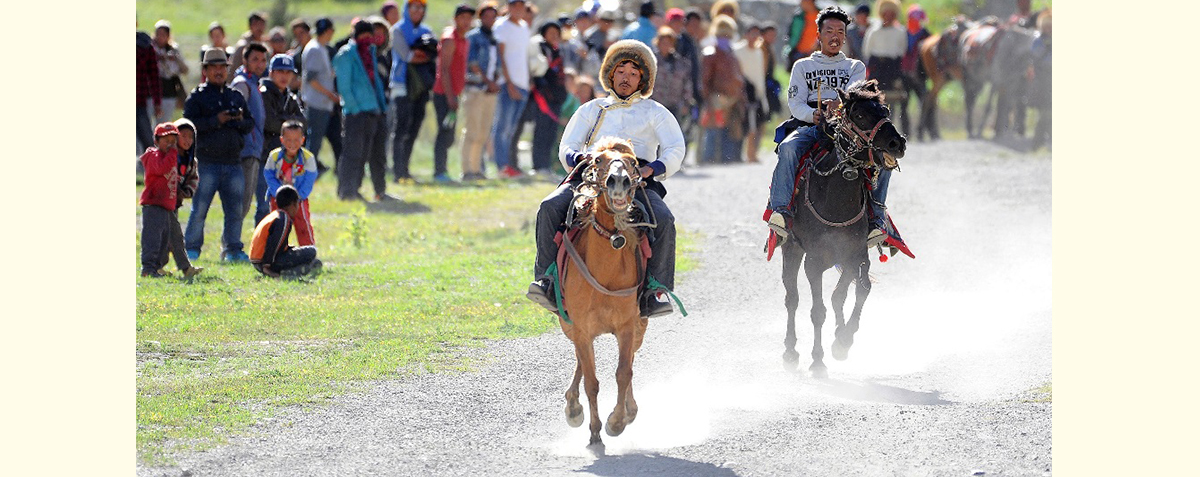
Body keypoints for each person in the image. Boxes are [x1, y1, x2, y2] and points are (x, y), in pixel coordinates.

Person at [527, 39, 685, 318]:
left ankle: (654, 290)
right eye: (621, 71)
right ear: (611, 73)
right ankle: (547, 279)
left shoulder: (656, 112)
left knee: (665, 220)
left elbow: (675, 148)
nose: (626, 78)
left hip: (637, 180)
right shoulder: (592, 108)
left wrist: (653, 169)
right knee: (549, 206)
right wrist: (579, 160)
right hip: (591, 175)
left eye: (634, 73)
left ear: (643, 80)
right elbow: (568, 145)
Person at [766, 7, 896, 247]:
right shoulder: (802, 66)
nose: (835, 36)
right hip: (810, 125)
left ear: (845, 36)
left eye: (840, 31)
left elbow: (857, 99)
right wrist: (814, 114)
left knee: (884, 158)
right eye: (829, 31)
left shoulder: (855, 66)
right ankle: (781, 211)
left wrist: (839, 107)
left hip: (848, 129)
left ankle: (877, 221)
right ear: (818, 34)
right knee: (787, 148)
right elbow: (794, 102)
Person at [183, 48, 255, 262]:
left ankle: (233, 249)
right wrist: (216, 120)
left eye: (222, 67)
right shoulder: (197, 97)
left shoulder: (236, 96)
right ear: (205, 70)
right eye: (213, 67)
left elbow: (250, 123)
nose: (218, 71)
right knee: (199, 209)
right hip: (207, 162)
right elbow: (188, 127)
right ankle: (191, 250)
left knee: (235, 210)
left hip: (234, 162)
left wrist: (238, 120)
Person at [334, 20, 391, 202]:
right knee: (352, 153)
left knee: (365, 154)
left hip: (373, 110)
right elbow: (344, 86)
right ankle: (347, 191)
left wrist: (381, 106)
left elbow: (376, 84)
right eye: (363, 35)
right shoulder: (346, 54)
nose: (367, 39)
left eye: (369, 35)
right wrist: (355, 108)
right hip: (355, 112)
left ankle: (356, 189)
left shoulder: (370, 52)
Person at [427, 4, 476, 183]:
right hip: (444, 94)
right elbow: (444, 70)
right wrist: (449, 97)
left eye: (469, 18)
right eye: (463, 17)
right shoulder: (450, 39)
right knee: (444, 132)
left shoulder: (465, 39)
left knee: (449, 134)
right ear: (456, 19)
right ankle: (439, 171)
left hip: (454, 94)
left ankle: (443, 169)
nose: (466, 21)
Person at [389, 0, 436, 184]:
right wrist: (421, 55)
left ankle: (405, 170)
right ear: (406, 9)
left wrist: (422, 54)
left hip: (421, 86)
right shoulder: (398, 30)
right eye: (414, 7)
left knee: (414, 127)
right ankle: (397, 171)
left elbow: (432, 54)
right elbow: (407, 57)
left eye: (421, 8)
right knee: (401, 129)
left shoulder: (427, 30)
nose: (418, 11)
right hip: (402, 85)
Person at [260, 54, 306, 221]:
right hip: (265, 157)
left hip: (287, 160)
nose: (284, 76)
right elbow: (270, 123)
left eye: (288, 72)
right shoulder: (264, 94)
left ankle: (279, 243)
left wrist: (283, 120)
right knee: (264, 205)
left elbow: (304, 123)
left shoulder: (290, 97)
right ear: (271, 72)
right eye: (280, 71)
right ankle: (264, 244)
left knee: (286, 206)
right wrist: (290, 121)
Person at [490, 0, 532, 178]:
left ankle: (508, 165)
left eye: (521, 5)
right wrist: (508, 83)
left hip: (522, 84)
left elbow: (523, 56)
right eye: (514, 5)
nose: (518, 8)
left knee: (512, 129)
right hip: (508, 84)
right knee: (502, 127)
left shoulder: (524, 27)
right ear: (508, 6)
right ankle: (501, 166)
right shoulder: (501, 26)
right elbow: (501, 56)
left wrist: (527, 80)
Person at [461, 1, 502, 181]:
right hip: (475, 88)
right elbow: (472, 63)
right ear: (480, 17)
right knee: (472, 130)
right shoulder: (473, 37)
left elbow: (497, 63)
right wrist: (488, 81)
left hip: (489, 91)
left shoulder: (494, 37)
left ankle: (477, 169)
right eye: (486, 16)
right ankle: (466, 170)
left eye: (493, 16)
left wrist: (495, 82)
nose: (490, 19)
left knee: (483, 132)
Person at [230, 42, 270, 225]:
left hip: (253, 149)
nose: (260, 64)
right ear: (245, 60)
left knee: (244, 203)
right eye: (255, 60)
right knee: (240, 203)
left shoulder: (255, 84)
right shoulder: (242, 84)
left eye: (263, 60)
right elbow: (234, 116)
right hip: (244, 150)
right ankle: (230, 246)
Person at [263, 121, 319, 246]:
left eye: (296, 140)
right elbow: (269, 175)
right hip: (277, 198)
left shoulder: (308, 158)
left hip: (299, 199)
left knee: (303, 225)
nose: (292, 144)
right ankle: (276, 252)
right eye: (288, 140)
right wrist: (277, 192)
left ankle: (308, 251)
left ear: (303, 140)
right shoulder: (275, 156)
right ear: (282, 140)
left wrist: (299, 196)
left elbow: (309, 180)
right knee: (276, 225)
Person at [699, 15, 745, 164]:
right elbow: (704, 79)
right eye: (721, 35)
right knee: (712, 129)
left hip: (732, 98)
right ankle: (708, 159)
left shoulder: (731, 53)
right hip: (716, 98)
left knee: (729, 130)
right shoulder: (710, 53)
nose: (724, 37)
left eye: (727, 35)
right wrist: (707, 100)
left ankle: (726, 159)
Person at [249, 185, 323, 279]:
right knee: (311, 251)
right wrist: (267, 266)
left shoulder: (275, 215)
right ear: (294, 204)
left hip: (257, 260)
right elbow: (274, 241)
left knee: (312, 261)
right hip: (265, 262)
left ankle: (293, 271)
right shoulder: (283, 219)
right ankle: (285, 274)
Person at [139, 123, 183, 277]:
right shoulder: (153, 156)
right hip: (153, 205)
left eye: (173, 140)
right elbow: (160, 169)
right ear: (156, 141)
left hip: (165, 206)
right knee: (152, 239)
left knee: (164, 240)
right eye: (166, 140)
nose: (171, 143)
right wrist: (172, 154)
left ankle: (156, 268)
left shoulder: (169, 157)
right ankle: (148, 268)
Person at [165, 118, 204, 278]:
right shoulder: (166, 155)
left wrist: (185, 192)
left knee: (167, 237)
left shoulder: (191, 161)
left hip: (174, 204)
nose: (187, 140)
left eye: (190, 137)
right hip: (161, 203)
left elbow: (194, 180)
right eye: (183, 135)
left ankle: (156, 267)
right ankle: (186, 268)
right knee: (175, 236)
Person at [530, 20, 569, 176]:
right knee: (541, 131)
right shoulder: (540, 49)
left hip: (556, 98)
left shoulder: (558, 51)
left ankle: (545, 166)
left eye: (556, 33)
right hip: (543, 98)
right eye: (550, 33)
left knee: (551, 133)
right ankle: (537, 165)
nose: (554, 36)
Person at [301, 18, 339, 172]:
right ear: (329, 31)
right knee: (314, 141)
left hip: (321, 102)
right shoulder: (315, 49)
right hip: (317, 102)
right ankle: (307, 172)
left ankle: (309, 171)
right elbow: (312, 79)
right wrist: (330, 94)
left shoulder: (320, 48)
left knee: (316, 140)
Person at [861, 0, 906, 119]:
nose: (889, 17)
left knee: (892, 98)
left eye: (892, 14)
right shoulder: (873, 31)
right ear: (882, 14)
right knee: (874, 96)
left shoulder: (900, 31)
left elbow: (902, 50)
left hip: (892, 66)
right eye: (886, 13)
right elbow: (867, 50)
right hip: (876, 65)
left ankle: (890, 124)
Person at [735, 23, 769, 163]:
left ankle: (751, 153)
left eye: (757, 34)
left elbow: (760, 74)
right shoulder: (737, 50)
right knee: (745, 124)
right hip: (742, 91)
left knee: (756, 123)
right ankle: (745, 154)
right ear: (746, 34)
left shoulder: (759, 52)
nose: (754, 37)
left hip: (756, 92)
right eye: (752, 33)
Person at [900, 5, 931, 140]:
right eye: (913, 19)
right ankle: (906, 133)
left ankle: (923, 132)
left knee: (925, 103)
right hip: (904, 74)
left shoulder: (926, 35)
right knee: (904, 104)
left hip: (921, 75)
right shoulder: (902, 33)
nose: (916, 22)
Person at [652, 26, 693, 126]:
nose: (666, 46)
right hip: (654, 105)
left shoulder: (681, 63)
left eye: (669, 43)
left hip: (674, 105)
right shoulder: (651, 61)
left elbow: (687, 84)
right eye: (663, 43)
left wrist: (686, 103)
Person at [152, 20, 189, 125]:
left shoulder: (174, 50)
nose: (160, 37)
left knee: (164, 121)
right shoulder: (151, 49)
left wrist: (175, 59)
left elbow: (185, 70)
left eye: (163, 34)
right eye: (158, 34)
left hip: (169, 90)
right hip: (154, 89)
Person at [137, 28, 163, 155]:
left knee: (148, 142)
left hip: (139, 103)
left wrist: (157, 103)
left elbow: (153, 77)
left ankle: (153, 172)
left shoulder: (145, 46)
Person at [785, 0, 820, 66]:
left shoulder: (822, 16)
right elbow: (791, 34)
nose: (800, 3)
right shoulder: (798, 16)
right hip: (797, 52)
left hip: (815, 53)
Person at [287, 19, 312, 92]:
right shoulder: (296, 56)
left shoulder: (323, 50)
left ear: (308, 32)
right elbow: (291, 83)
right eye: (296, 35)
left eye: (301, 33)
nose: (299, 37)